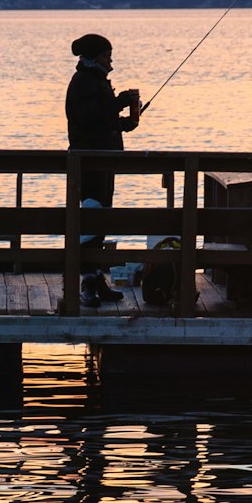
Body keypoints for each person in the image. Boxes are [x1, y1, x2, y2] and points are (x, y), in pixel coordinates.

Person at [65, 31, 141, 307]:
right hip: (90, 164)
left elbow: (102, 120)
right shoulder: (84, 81)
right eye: (108, 56)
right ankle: (87, 282)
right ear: (95, 57)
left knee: (99, 221)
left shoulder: (94, 81)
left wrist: (123, 124)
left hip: (104, 162)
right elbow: (87, 119)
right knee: (90, 221)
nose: (111, 62)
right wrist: (118, 102)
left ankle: (96, 278)